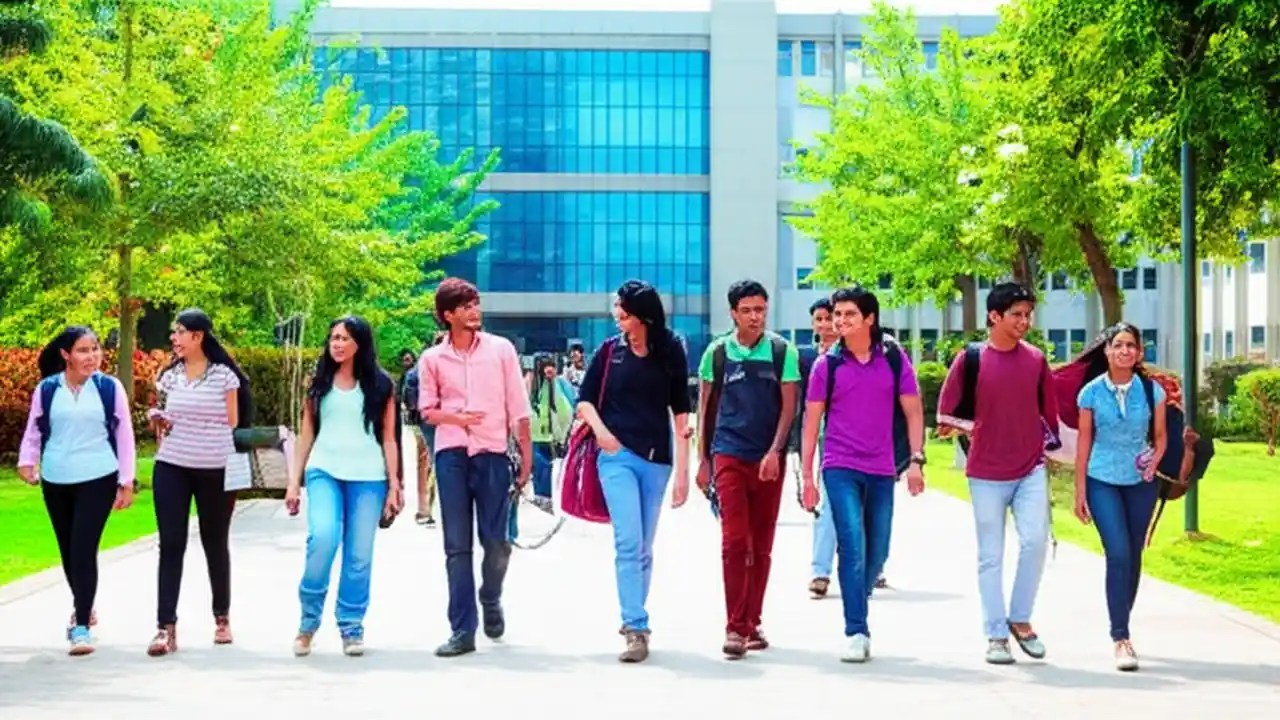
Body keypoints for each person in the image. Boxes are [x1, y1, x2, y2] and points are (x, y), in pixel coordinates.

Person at [799, 287, 926, 662]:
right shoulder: (828, 365)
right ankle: (857, 629)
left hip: (882, 467)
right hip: (839, 465)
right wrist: (807, 477)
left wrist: (917, 460)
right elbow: (811, 421)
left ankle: (858, 593)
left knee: (878, 550)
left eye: (849, 314)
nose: (839, 321)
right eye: (837, 314)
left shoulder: (893, 358)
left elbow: (914, 411)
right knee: (852, 545)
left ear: (869, 318)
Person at [936, 283, 1059, 665]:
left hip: (1030, 469)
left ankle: (1020, 619)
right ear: (994, 316)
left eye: (1028, 314)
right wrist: (971, 427)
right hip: (986, 473)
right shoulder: (970, 359)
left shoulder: (1036, 359)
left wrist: (1049, 448)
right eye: (1016, 314)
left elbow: (1048, 412)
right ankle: (995, 636)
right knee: (991, 555)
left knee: (1036, 542)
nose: (1024, 321)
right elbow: (945, 411)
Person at [577, 280, 693, 663]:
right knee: (628, 542)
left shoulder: (671, 349)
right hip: (617, 458)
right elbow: (585, 402)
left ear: (641, 314)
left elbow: (680, 410)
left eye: (622, 308)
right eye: (615, 308)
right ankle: (635, 626)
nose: (616, 314)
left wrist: (683, 473)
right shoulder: (609, 352)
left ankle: (635, 617)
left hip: (657, 460)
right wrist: (605, 436)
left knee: (644, 546)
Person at [418, 277, 532, 657]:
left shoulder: (501, 350)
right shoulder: (432, 359)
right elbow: (427, 412)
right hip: (451, 455)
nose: (474, 311)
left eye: (476, 303)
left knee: (497, 542)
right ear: (448, 315)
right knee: (456, 547)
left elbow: (518, 405)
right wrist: (458, 419)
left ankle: (491, 595)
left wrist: (527, 455)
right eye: (465, 306)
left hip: (493, 454)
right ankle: (462, 630)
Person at [285, 316, 402, 657]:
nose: (336, 343)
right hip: (324, 470)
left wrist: (394, 484)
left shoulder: (381, 385)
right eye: (333, 337)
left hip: (369, 476)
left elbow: (389, 438)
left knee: (359, 555)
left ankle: (351, 625)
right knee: (323, 538)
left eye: (344, 338)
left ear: (360, 345)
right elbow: (306, 431)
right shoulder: (318, 381)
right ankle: (308, 623)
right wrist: (294, 481)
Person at [17, 326, 136, 656]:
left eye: (95, 349)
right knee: (69, 552)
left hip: (98, 476)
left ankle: (80, 625)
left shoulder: (109, 388)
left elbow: (125, 435)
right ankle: (85, 602)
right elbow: (34, 429)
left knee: (83, 549)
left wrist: (126, 480)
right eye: (83, 350)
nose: (92, 356)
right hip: (56, 478)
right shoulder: (47, 388)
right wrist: (28, 461)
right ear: (66, 355)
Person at [697, 279, 800, 659]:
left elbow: (789, 408)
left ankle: (752, 621)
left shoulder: (780, 351)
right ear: (733, 313)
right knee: (734, 542)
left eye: (760, 309)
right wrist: (702, 460)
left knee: (762, 543)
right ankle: (734, 627)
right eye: (747, 310)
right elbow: (705, 409)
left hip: (768, 459)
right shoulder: (717, 354)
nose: (755, 317)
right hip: (728, 454)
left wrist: (776, 451)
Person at [145, 308, 252, 657]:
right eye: (174, 333)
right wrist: (157, 417)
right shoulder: (170, 376)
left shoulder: (225, 377)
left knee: (214, 541)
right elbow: (161, 411)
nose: (174, 339)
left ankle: (222, 617)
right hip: (172, 465)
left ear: (198, 336)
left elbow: (233, 423)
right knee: (171, 543)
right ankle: (165, 627)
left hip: (215, 468)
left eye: (180, 333)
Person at [1071, 323, 1167, 671]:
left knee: (1134, 554)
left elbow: (1160, 435)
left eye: (1131, 346)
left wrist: (1155, 458)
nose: (1125, 351)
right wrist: (1080, 490)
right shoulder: (1091, 393)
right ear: (1107, 351)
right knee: (1119, 552)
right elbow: (1083, 443)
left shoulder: (1152, 390)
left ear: (1139, 352)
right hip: (1101, 479)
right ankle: (1121, 637)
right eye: (1118, 345)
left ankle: (1121, 617)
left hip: (1141, 481)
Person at [797, 297, 840, 599]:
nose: (824, 325)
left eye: (829, 318)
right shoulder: (806, 357)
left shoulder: (854, 356)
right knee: (826, 504)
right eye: (819, 319)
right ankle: (820, 570)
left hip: (851, 439)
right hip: (820, 437)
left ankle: (871, 565)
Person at [529, 353, 573, 508]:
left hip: (553, 437)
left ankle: (550, 498)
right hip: (534, 436)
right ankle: (541, 498)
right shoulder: (531, 383)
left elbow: (567, 410)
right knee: (539, 469)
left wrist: (553, 382)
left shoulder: (560, 383)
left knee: (551, 469)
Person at [398, 346, 437, 527]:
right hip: (447, 423)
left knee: (424, 463)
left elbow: (408, 400)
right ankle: (431, 506)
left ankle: (424, 508)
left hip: (422, 422)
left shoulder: (416, 371)